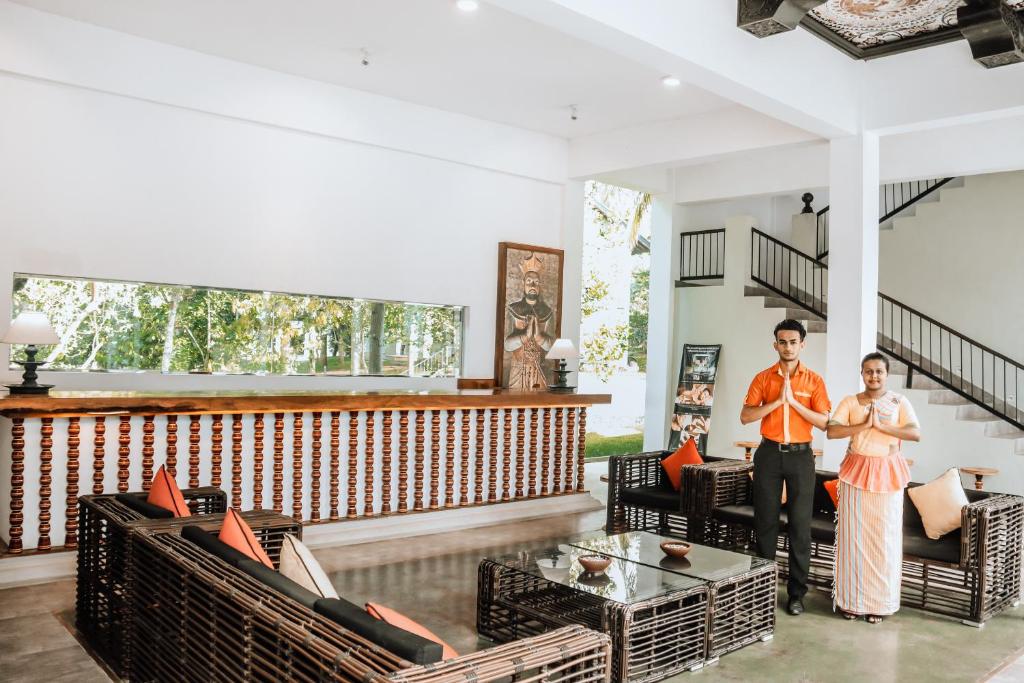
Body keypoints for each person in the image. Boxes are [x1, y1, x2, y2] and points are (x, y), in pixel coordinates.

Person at [740, 319, 831, 616]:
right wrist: (778, 402)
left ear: (802, 344)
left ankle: (796, 595)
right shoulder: (763, 378)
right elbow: (745, 416)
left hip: (801, 457)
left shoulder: (814, 381)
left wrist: (794, 402)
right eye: (783, 341)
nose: (788, 346)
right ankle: (763, 590)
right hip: (768, 454)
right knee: (764, 523)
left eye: (793, 342)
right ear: (775, 344)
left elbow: (825, 422)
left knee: (799, 527)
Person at [826, 352, 920, 624]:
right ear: (862, 373)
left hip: (887, 474)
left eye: (879, 371)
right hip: (856, 471)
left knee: (884, 539)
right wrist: (863, 424)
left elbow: (915, 433)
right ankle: (852, 602)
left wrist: (882, 426)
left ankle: (880, 604)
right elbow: (832, 431)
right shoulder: (850, 402)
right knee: (852, 538)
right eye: (868, 371)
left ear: (886, 374)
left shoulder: (899, 402)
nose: (874, 376)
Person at [503, 253, 554, 389]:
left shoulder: (547, 312)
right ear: (523, 284)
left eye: (536, 282)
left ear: (540, 285)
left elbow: (552, 346)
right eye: (529, 282)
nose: (533, 285)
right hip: (518, 370)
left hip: (538, 369)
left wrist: (539, 338)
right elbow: (507, 345)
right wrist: (524, 336)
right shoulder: (514, 309)